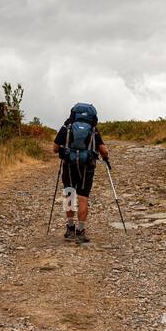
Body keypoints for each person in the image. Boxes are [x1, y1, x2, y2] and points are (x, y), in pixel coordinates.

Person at [54, 102, 110, 244]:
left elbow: (55, 148)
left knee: (69, 194)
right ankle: (81, 231)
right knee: (83, 197)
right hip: (87, 166)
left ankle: (70, 227)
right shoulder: (93, 129)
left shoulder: (66, 127)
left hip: (69, 165)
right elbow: (104, 150)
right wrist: (105, 157)